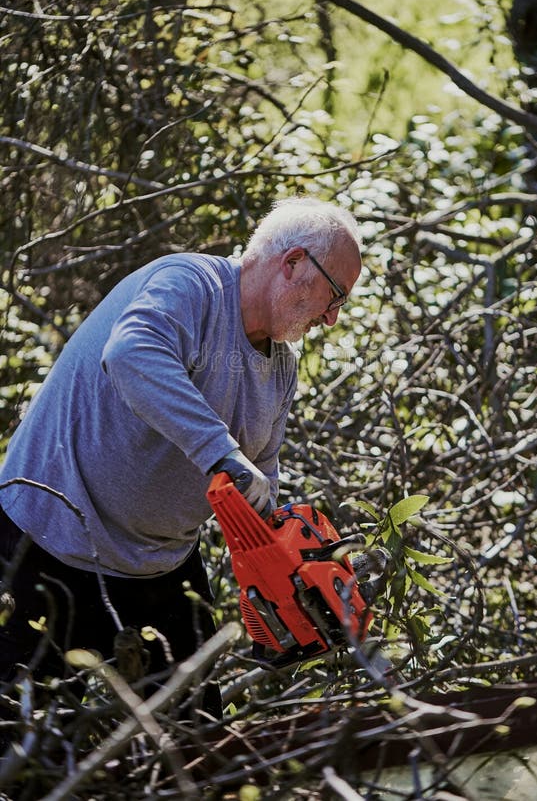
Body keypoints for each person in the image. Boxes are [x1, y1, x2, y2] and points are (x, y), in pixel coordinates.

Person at [0, 196, 362, 716]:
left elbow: (259, 477)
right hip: (48, 543)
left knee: (197, 737)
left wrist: (286, 572)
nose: (330, 318)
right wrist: (222, 453)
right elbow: (130, 353)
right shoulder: (189, 286)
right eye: (335, 297)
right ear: (293, 263)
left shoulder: (280, 368)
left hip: (158, 563)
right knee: (29, 742)